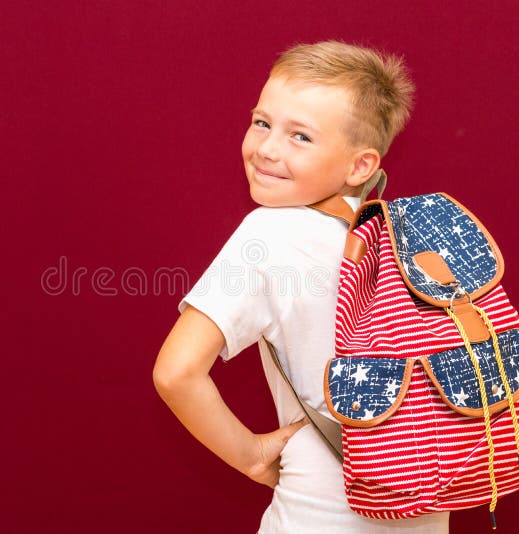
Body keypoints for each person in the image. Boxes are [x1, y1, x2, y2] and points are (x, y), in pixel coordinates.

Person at [153, 41, 449, 533]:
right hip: (428, 503)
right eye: (262, 122)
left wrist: (250, 455)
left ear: (360, 166)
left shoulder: (269, 232)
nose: (267, 148)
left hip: (318, 516)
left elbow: (176, 373)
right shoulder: (409, 242)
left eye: (301, 137)